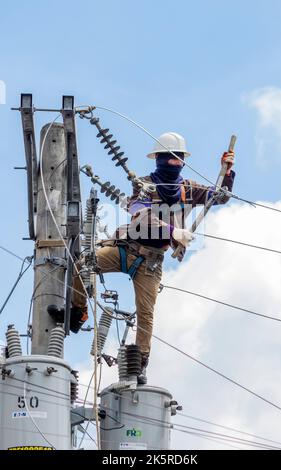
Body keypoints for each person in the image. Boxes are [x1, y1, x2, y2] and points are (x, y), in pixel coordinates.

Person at [51, 132, 235, 384]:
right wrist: (174, 231)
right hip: (127, 249)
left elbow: (220, 196)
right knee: (83, 263)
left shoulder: (188, 189)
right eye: (168, 158)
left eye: (177, 158)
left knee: (146, 316)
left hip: (150, 263)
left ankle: (140, 364)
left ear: (182, 161)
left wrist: (227, 173)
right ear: (158, 159)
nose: (173, 162)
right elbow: (141, 215)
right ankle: (78, 311)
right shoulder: (144, 185)